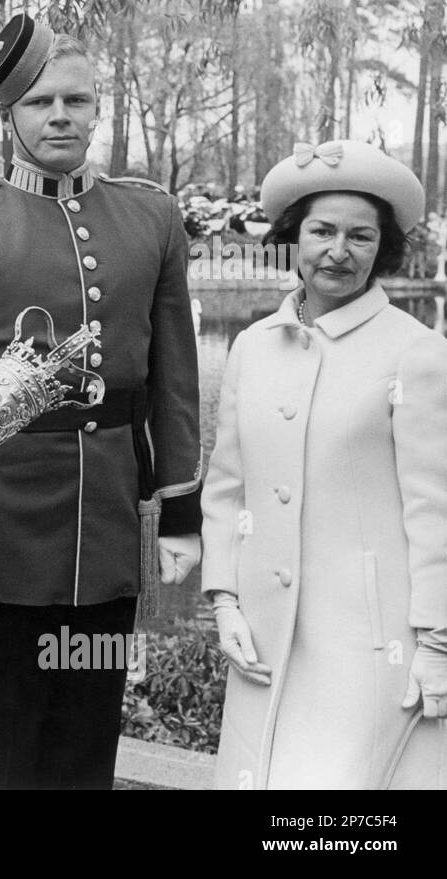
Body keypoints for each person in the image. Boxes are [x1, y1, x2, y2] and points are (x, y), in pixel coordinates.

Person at [0, 14, 203, 790]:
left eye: (76, 100)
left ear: (99, 108)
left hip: (104, 536)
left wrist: (179, 507)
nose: (60, 116)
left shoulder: (151, 215)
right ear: (9, 116)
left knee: (86, 739)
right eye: (40, 103)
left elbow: (173, 373)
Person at [203, 140, 447, 789]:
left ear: (381, 249)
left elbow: (436, 510)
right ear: (293, 238)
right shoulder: (252, 347)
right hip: (264, 633)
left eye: (361, 235)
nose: (340, 250)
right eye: (323, 230)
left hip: (369, 644)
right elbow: (227, 489)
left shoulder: (416, 351)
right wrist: (225, 599)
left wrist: (437, 641)